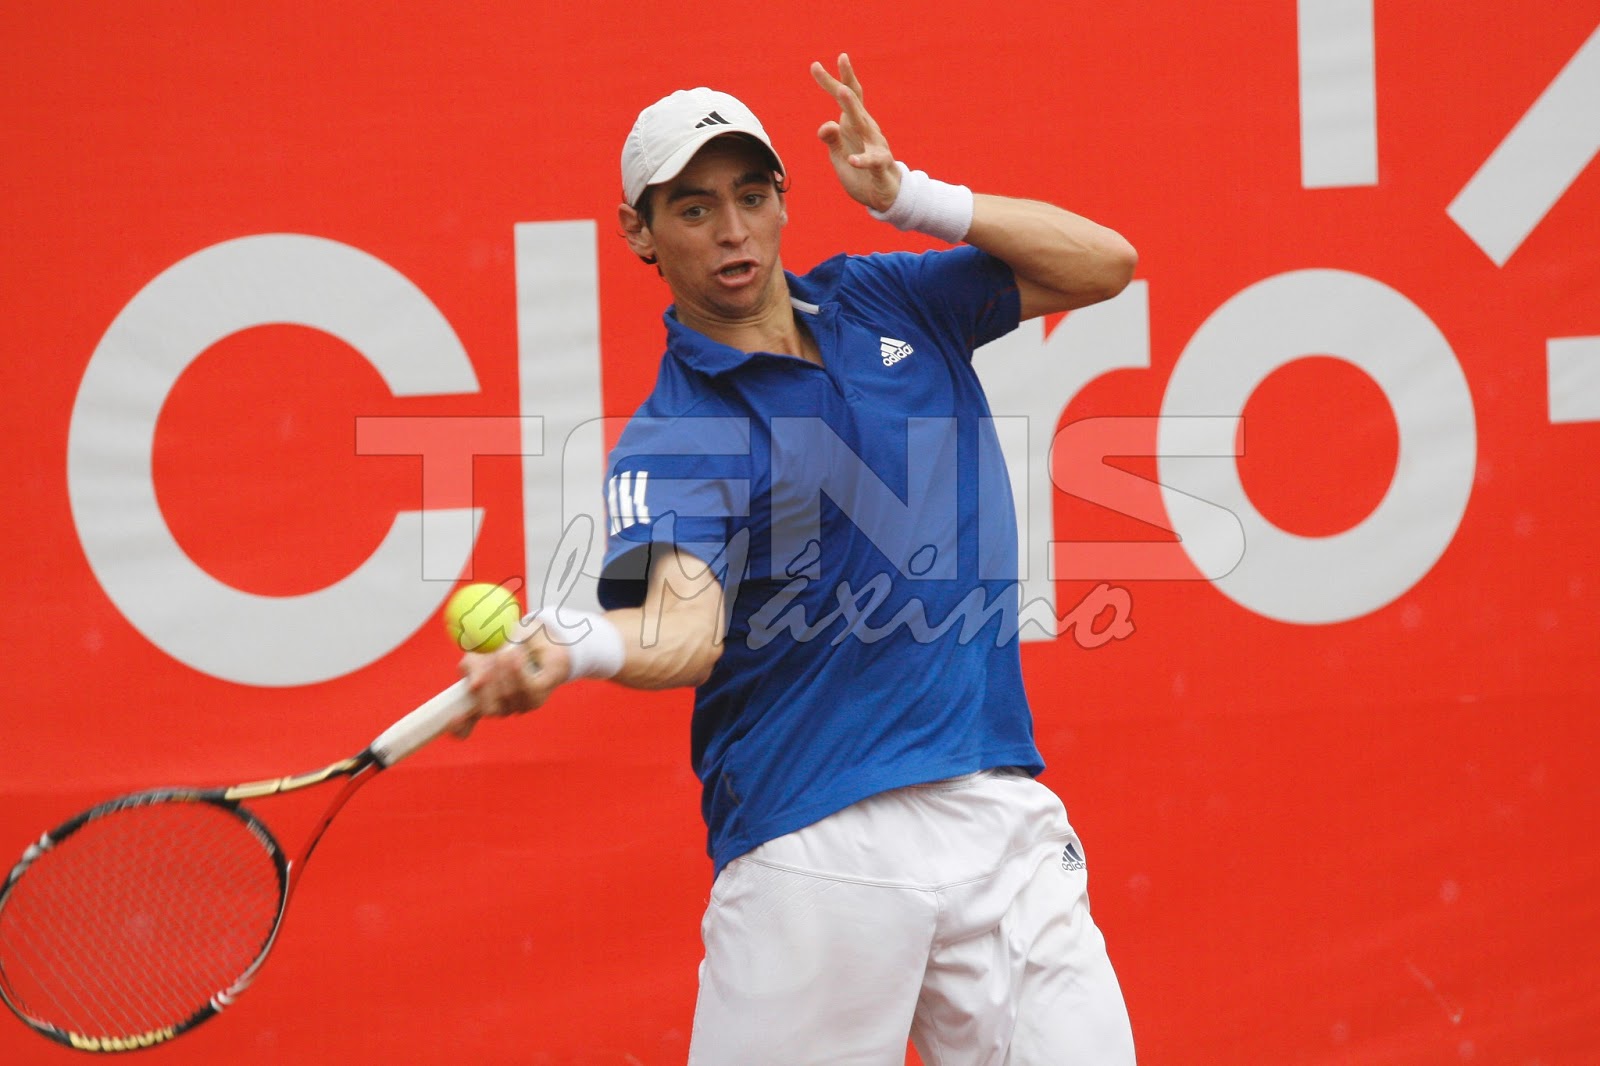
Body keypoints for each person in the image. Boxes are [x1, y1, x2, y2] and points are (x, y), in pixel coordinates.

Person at [459, 53, 1139, 1065]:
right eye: (692, 209)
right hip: (815, 847)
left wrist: (912, 197)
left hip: (995, 807)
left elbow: (1105, 264)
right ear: (637, 233)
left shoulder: (888, 300)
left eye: (750, 196)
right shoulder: (674, 435)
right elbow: (683, 626)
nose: (732, 231)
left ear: (782, 199)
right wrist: (575, 645)